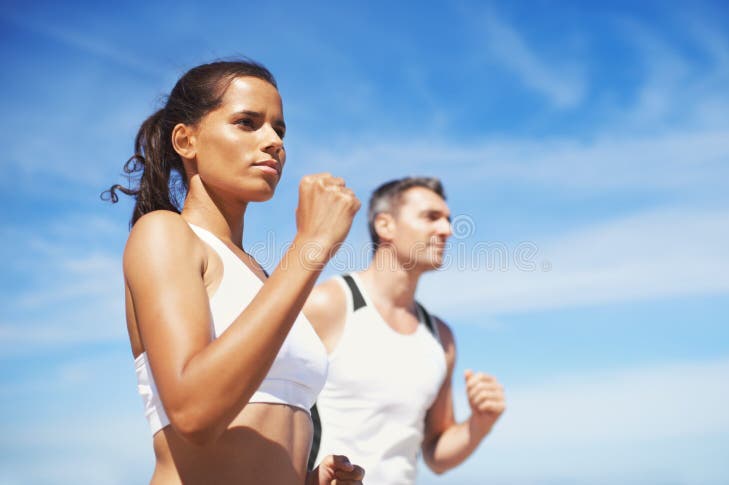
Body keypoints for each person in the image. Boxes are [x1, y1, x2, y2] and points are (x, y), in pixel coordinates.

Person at [104, 60, 365, 485]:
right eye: (247, 123)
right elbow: (194, 413)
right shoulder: (164, 234)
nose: (273, 142)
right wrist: (311, 246)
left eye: (279, 130)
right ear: (186, 141)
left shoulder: (262, 277)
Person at [303, 177, 506, 484]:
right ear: (385, 225)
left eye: (448, 220)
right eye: (431, 217)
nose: (447, 230)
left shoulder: (441, 337)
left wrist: (480, 423)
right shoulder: (327, 304)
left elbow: (436, 452)